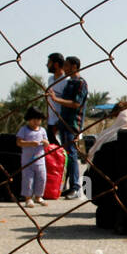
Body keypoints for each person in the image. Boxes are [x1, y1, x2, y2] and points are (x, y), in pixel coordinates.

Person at [48, 56, 88, 198]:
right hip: (64, 123)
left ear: (74, 67)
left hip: (73, 124)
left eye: (66, 65)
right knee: (65, 154)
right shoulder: (69, 82)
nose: (64, 68)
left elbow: (76, 104)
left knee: (72, 154)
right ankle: (67, 186)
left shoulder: (81, 83)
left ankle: (76, 187)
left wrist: (56, 99)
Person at [16, 107, 49, 207]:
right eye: (34, 119)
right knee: (28, 179)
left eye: (38, 119)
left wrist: (44, 142)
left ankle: (38, 197)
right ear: (29, 119)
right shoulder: (24, 130)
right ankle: (28, 198)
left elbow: (47, 143)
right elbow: (19, 142)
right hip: (27, 161)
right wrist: (30, 143)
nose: (36, 122)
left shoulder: (42, 130)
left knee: (42, 178)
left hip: (40, 160)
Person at [44, 52, 66, 144]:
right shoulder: (50, 79)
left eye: (49, 63)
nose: (47, 65)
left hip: (60, 121)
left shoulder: (66, 80)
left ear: (56, 64)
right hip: (51, 121)